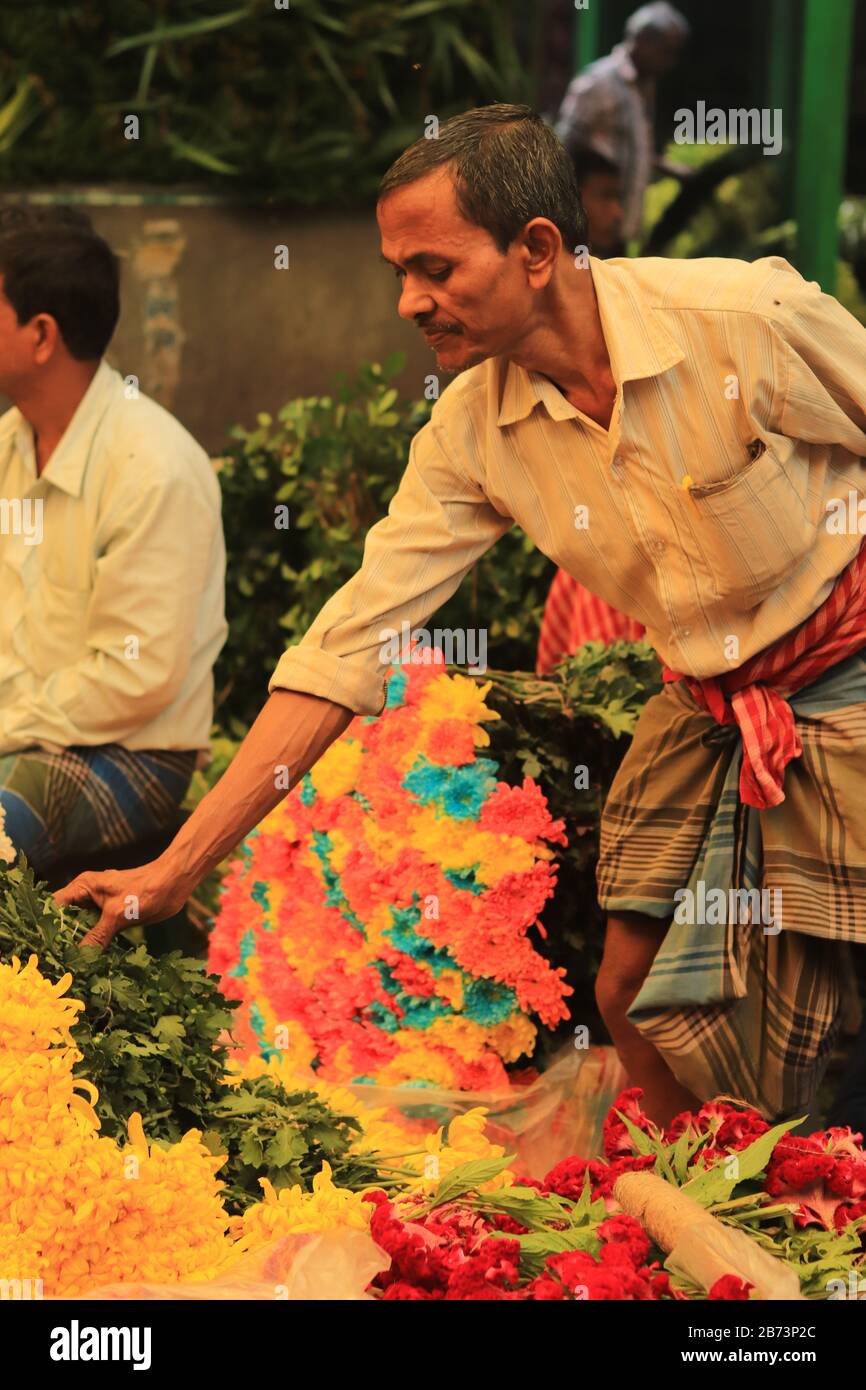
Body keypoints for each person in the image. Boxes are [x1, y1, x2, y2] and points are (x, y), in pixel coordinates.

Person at [57, 106, 866, 1132]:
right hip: (707, 701)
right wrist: (175, 871)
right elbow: (343, 647)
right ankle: (705, 1195)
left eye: (432, 267)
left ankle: (810, 1217)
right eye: (399, 271)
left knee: (828, 1021)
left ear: (535, 249)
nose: (408, 300)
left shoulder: (743, 318)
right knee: (626, 993)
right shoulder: (471, 434)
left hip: (847, 665)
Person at [0, 205, 227, 874]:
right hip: (23, 724)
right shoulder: (8, 445)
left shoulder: (152, 468)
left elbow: (134, 681)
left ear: (41, 335)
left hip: (134, 751)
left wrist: (7, 723)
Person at [536, 145, 642, 674]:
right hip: (607, 560)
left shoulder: (651, 305)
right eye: (604, 197)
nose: (617, 213)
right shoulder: (496, 390)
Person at [555, 1, 691, 249]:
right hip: (589, 230)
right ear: (644, 41)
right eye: (667, 51)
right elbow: (566, 147)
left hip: (619, 229)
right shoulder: (599, 81)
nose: (670, 63)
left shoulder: (644, 86)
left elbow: (626, 148)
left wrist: (667, 168)